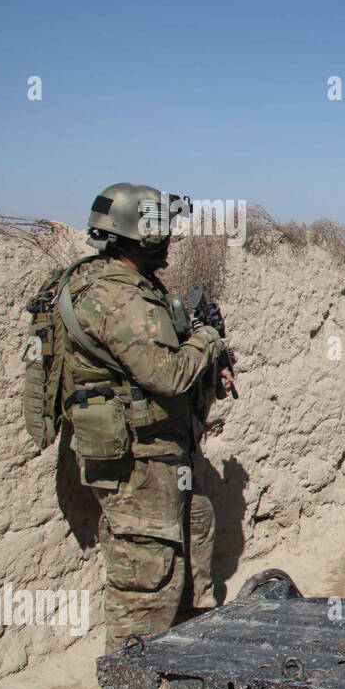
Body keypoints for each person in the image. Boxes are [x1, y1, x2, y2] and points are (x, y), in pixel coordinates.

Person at [60, 183, 235, 652]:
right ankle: (134, 681)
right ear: (137, 238)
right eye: (162, 235)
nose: (170, 243)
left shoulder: (131, 288)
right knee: (145, 571)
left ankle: (177, 655)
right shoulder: (116, 299)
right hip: (135, 459)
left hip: (158, 452)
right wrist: (208, 340)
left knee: (190, 534)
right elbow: (166, 375)